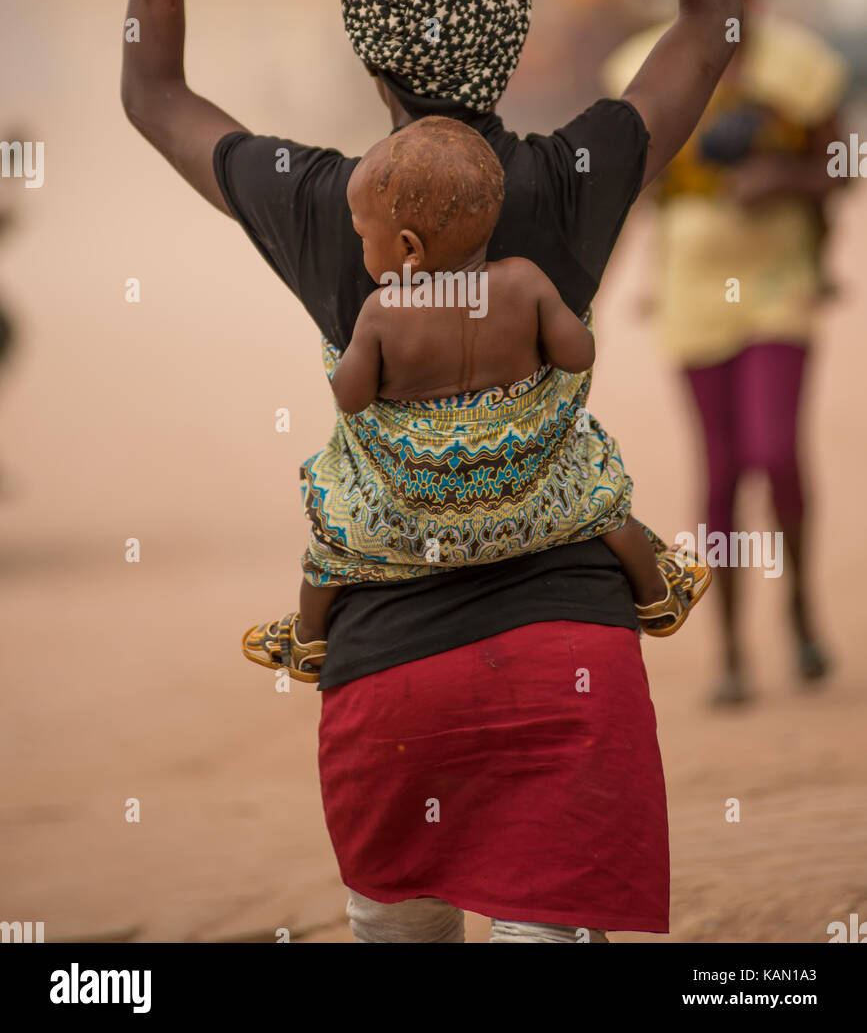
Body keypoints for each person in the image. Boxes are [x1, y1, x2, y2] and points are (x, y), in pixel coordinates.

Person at [122, 0, 742, 941]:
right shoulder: (581, 174)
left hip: (387, 668)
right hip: (572, 653)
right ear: (514, 39)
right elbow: (708, 26)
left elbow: (151, 88)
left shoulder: (322, 207)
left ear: (364, 47)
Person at [240, 116, 709, 680]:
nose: (360, 243)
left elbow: (353, 398)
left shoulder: (383, 313)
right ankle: (658, 596)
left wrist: (346, 359)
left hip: (410, 516)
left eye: (364, 235)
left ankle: (308, 641)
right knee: (599, 499)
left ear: (407, 249)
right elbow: (578, 355)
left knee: (335, 541)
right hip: (531, 501)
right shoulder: (524, 283)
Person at [603, 0, 849, 707]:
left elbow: (839, 165)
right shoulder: (641, 70)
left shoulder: (804, 68)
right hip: (690, 287)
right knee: (720, 471)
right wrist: (588, 295)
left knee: (773, 451)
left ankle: (802, 610)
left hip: (778, 282)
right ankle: (733, 652)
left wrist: (785, 179)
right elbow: (622, 193)